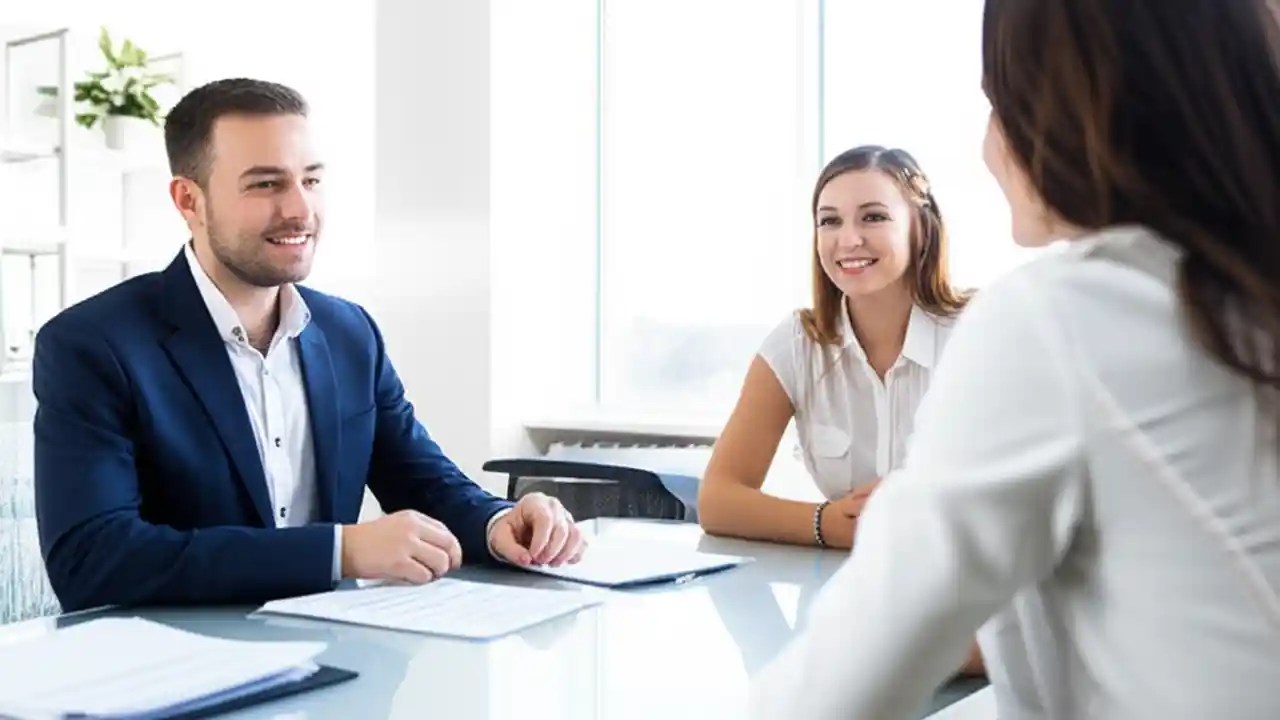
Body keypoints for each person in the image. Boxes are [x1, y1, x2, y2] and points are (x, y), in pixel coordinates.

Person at [750, 0, 1280, 717]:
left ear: (1067, 110)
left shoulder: (1060, 317)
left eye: (998, 101)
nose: (988, 143)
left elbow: (844, 683)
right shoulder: (1237, 293)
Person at [33, 78, 585, 613]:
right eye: (266, 184)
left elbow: (421, 480)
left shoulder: (349, 332)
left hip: (334, 652)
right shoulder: (93, 345)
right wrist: (339, 551)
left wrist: (499, 522)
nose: (300, 211)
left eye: (312, 181)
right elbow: (92, 561)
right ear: (189, 200)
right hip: (173, 672)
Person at [698, 146, 968, 550]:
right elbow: (718, 500)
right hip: (850, 588)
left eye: (873, 217)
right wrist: (826, 523)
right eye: (830, 221)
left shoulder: (979, 332)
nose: (849, 239)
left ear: (922, 228)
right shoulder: (798, 344)